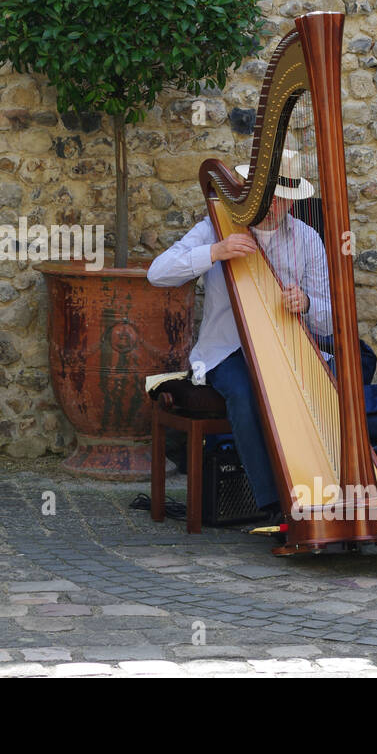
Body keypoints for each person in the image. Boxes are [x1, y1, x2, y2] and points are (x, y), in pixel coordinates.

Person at [148, 150, 332, 524]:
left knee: (326, 386)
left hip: (289, 348)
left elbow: (328, 324)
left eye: (285, 200)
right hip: (225, 351)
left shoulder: (308, 240)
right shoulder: (215, 228)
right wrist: (214, 252)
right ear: (252, 193)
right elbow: (157, 273)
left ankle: (326, 492)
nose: (276, 207)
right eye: (270, 197)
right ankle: (275, 506)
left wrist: (308, 303)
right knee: (247, 391)